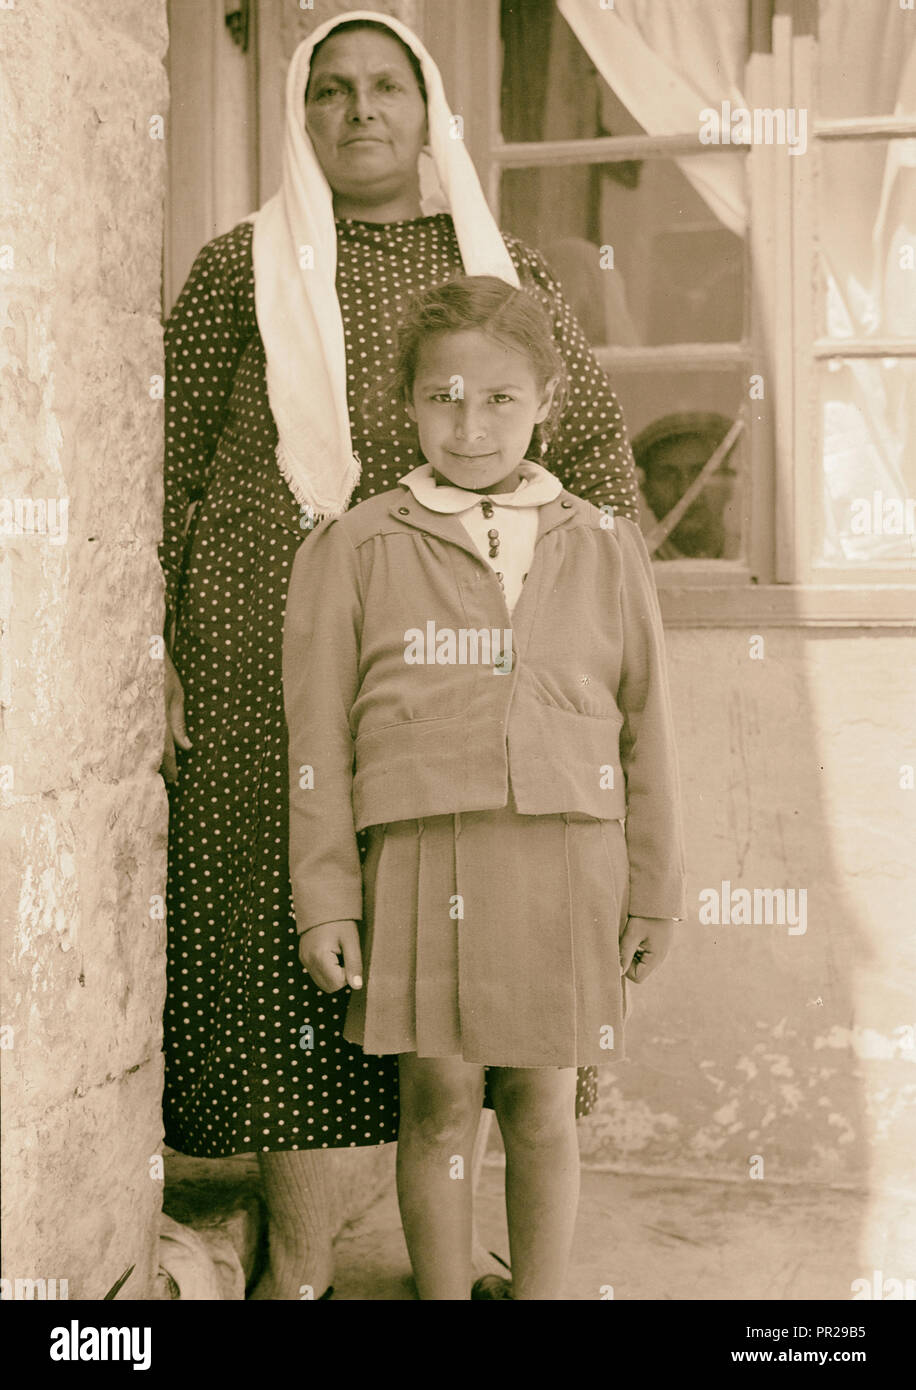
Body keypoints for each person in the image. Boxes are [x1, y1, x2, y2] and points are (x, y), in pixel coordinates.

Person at [160, 10, 642, 1300]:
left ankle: (490, 1265)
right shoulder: (235, 268)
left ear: (429, 108)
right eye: (329, 90)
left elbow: (593, 458)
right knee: (286, 924)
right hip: (272, 639)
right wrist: (152, 640)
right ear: (297, 115)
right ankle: (303, 1259)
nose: (359, 112)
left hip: (463, 667)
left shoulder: (502, 272)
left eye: (386, 87)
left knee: (481, 971)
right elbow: (165, 468)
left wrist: (579, 628)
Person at [282, 275, 687, 1300]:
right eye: (443, 397)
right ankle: (446, 1291)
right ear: (408, 404)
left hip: (567, 857)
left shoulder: (599, 542)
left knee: (546, 1101)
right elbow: (318, 735)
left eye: (500, 398)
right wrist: (325, 896)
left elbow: (649, 730)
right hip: (424, 856)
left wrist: (654, 888)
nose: (469, 426)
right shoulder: (360, 541)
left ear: (547, 400)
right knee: (438, 1104)